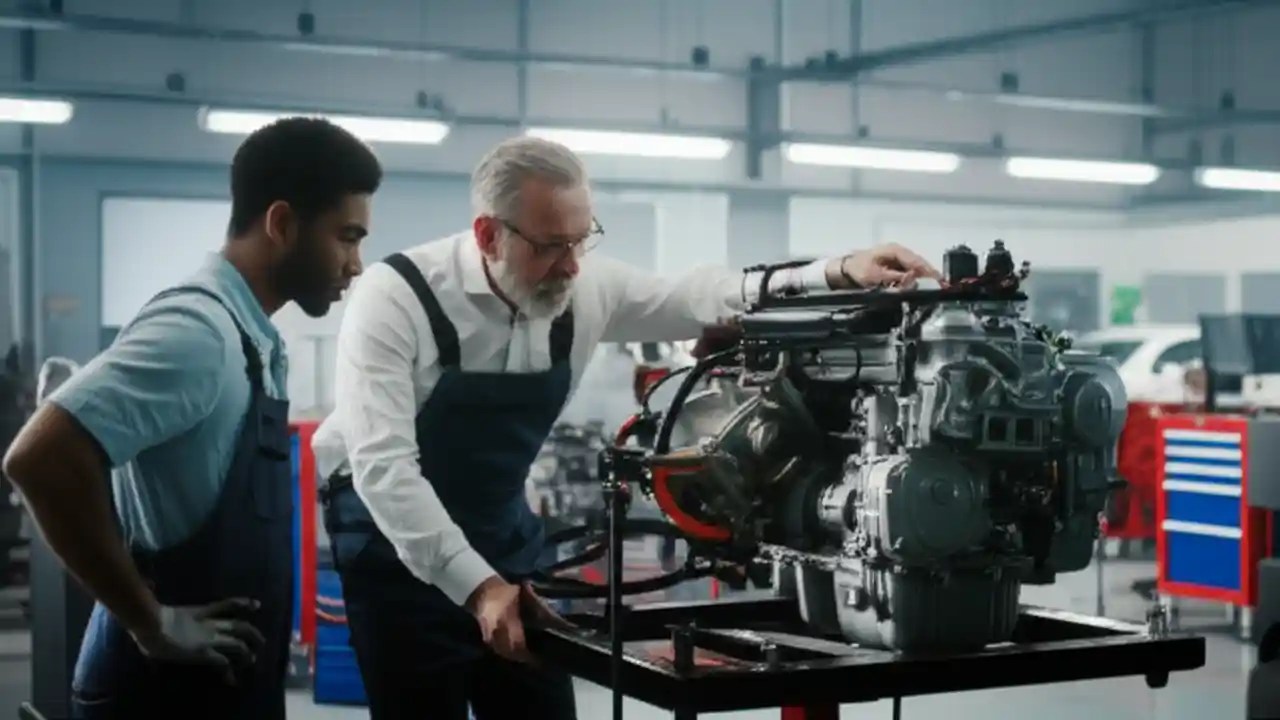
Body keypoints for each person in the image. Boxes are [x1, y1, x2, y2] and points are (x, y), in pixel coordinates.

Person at [311, 135, 941, 720]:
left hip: (497, 528)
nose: (571, 266)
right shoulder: (396, 297)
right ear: (488, 235)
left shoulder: (584, 290)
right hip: (387, 536)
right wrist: (479, 590)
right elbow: (384, 468)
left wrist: (834, 271)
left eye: (582, 240)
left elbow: (700, 294)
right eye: (551, 245)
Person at [3, 116, 382, 720]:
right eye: (347, 236)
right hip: (160, 693)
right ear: (282, 224)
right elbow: (38, 458)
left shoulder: (254, 339)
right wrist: (150, 622)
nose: (356, 264)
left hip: (218, 689)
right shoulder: (199, 333)